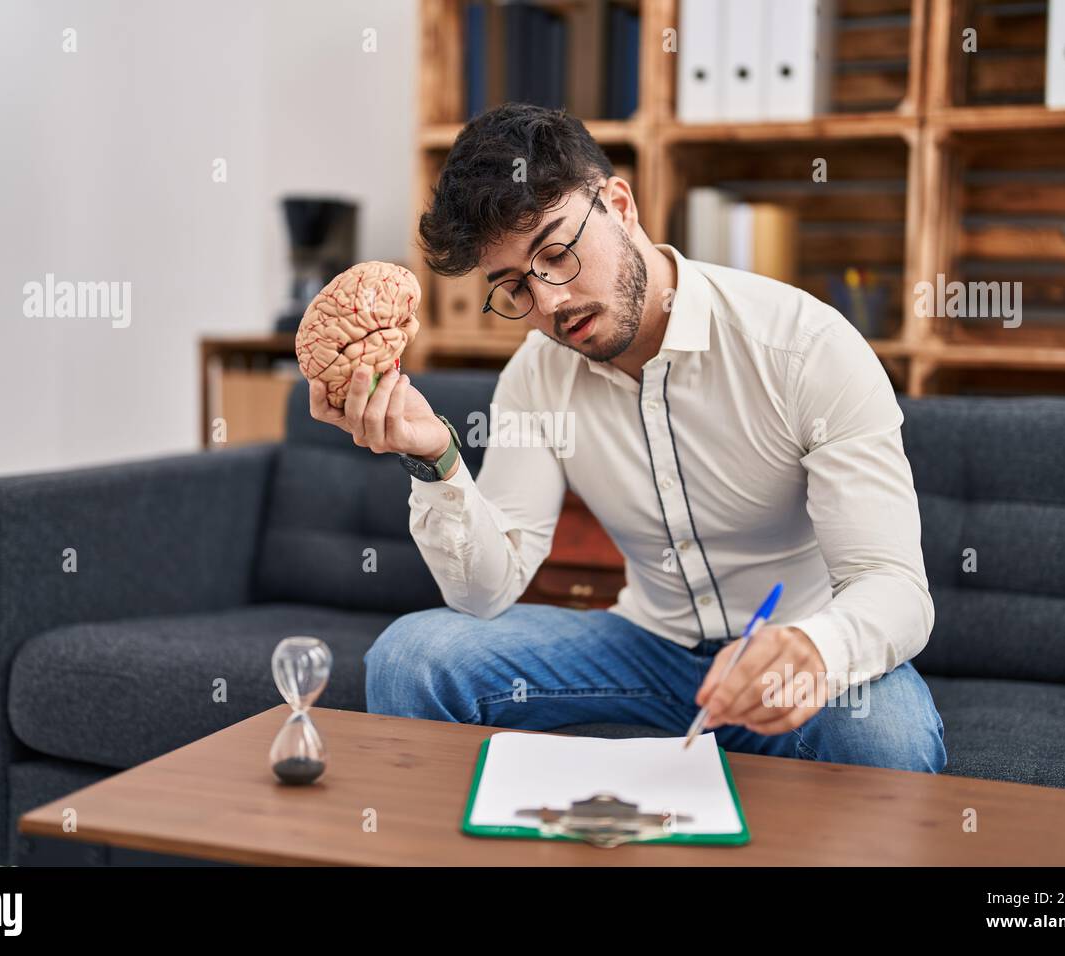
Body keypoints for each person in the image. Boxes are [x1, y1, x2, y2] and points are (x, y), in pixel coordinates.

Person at [307, 103, 945, 772]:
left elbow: (894, 587)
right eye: (514, 288)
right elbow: (486, 593)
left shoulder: (804, 349)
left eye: (557, 254)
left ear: (619, 205)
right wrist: (433, 457)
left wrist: (816, 650)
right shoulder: (537, 373)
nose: (549, 304)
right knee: (412, 657)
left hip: (791, 656)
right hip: (645, 648)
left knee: (885, 737)